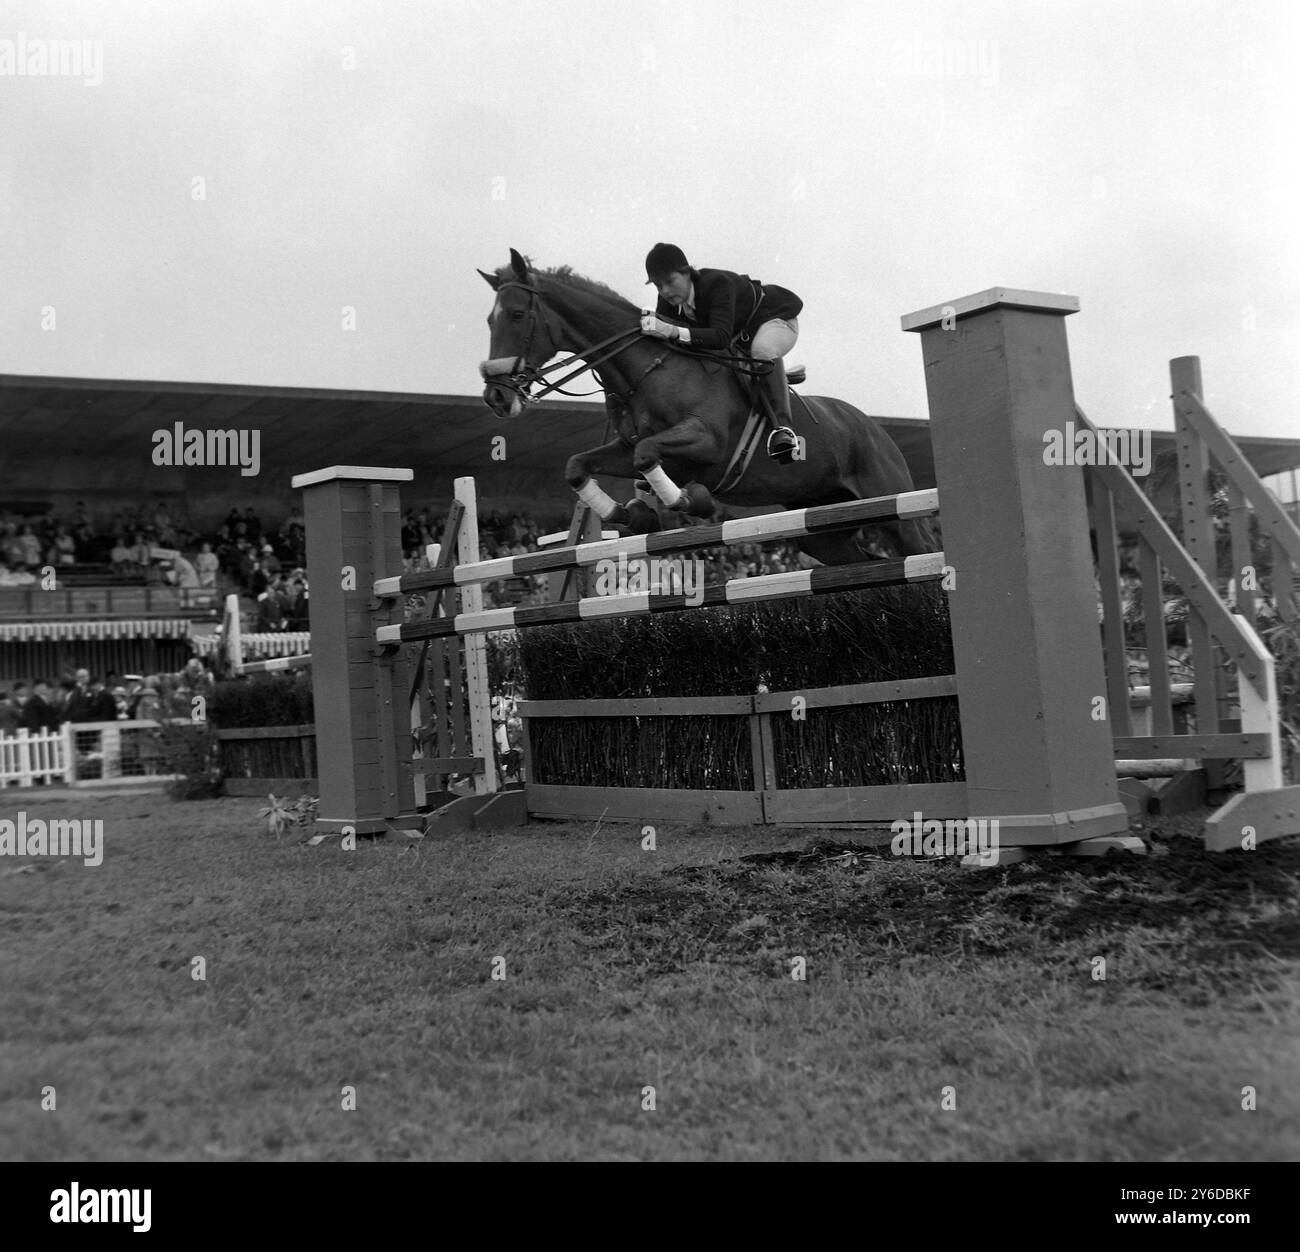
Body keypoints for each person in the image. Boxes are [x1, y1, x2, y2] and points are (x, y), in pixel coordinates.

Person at [639, 242, 804, 462]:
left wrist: (671, 330)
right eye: (659, 286)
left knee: (762, 350)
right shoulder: (668, 301)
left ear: (687, 273)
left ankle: (784, 430)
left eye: (670, 281)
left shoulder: (717, 284)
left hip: (775, 319)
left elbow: (719, 338)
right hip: (740, 336)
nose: (665, 291)